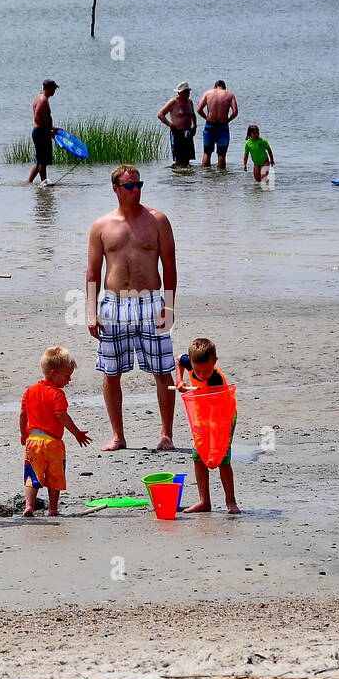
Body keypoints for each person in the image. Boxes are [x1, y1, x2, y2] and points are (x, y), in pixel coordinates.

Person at [87, 165, 177, 451]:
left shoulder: (158, 220)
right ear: (116, 189)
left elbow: (170, 266)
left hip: (151, 301)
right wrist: (91, 311)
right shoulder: (101, 226)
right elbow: (92, 272)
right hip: (114, 305)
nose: (135, 190)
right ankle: (118, 436)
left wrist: (170, 306)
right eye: (129, 186)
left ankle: (166, 434)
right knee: (112, 373)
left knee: (163, 371)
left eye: (138, 185)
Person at [20, 346, 91, 517]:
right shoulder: (57, 394)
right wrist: (77, 433)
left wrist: (23, 433)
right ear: (53, 373)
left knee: (32, 475)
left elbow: (23, 415)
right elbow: (62, 417)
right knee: (55, 477)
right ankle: (52, 508)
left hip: (33, 440)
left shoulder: (29, 391)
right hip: (53, 442)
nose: (69, 380)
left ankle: (29, 506)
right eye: (67, 376)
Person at [174, 337, 238, 514]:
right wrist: (179, 381)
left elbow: (217, 413)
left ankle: (230, 502)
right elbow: (178, 359)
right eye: (198, 371)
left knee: (221, 459)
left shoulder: (215, 380)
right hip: (202, 417)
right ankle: (204, 501)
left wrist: (213, 447)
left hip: (223, 419)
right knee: (198, 457)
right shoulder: (190, 362)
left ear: (215, 361)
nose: (202, 374)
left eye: (207, 370)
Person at [197, 80, 239, 168]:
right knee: (222, 154)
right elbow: (235, 112)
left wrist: (206, 118)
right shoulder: (230, 95)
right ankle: (221, 175)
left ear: (215, 86)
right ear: (224, 87)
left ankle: (205, 175)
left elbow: (199, 109)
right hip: (223, 125)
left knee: (207, 152)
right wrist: (228, 120)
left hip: (210, 125)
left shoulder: (208, 93)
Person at [27, 80, 60, 185]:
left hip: (38, 131)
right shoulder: (44, 101)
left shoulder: (38, 98)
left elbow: (39, 118)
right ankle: (44, 182)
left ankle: (29, 182)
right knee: (43, 161)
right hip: (41, 132)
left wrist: (52, 128)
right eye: (54, 88)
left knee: (39, 160)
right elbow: (44, 119)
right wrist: (50, 133)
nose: (55, 90)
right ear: (49, 88)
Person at [157, 82, 197, 167]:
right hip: (177, 133)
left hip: (188, 133)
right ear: (179, 93)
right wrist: (170, 124)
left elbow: (193, 115)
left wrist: (195, 126)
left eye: (188, 91)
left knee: (187, 160)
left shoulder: (190, 102)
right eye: (185, 92)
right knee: (179, 159)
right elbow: (160, 114)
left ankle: (186, 177)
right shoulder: (173, 102)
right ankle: (177, 177)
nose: (187, 93)